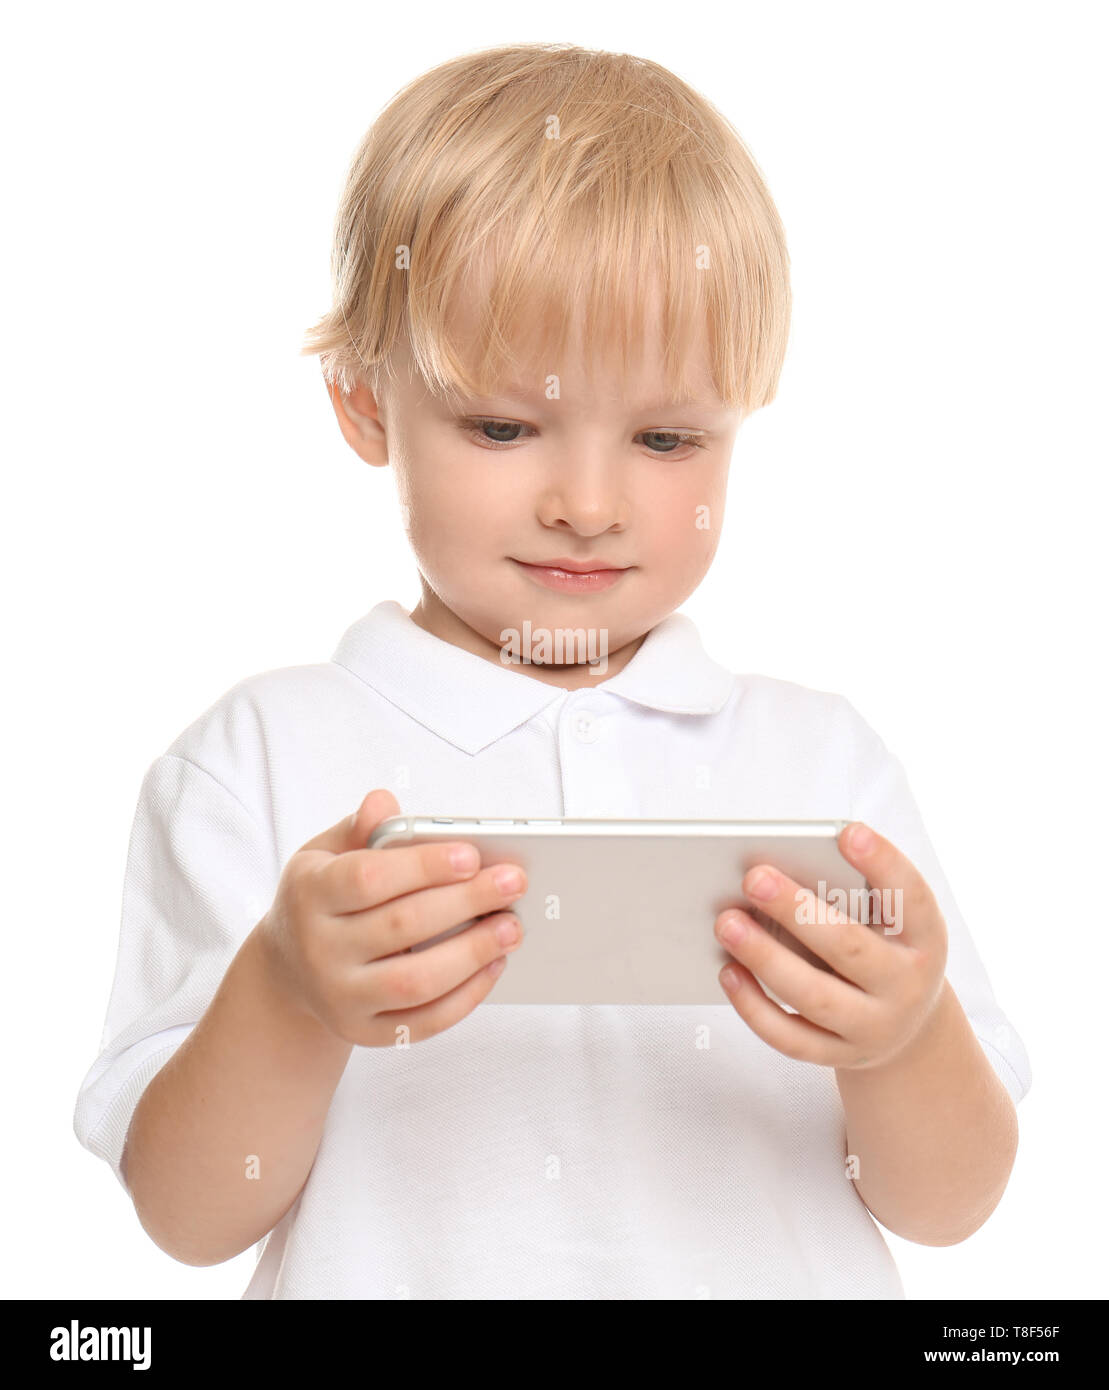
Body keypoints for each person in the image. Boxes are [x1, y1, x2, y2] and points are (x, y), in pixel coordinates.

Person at [73, 41, 1030, 1299]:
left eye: (665, 436)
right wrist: (287, 992)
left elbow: (951, 1207)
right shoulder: (259, 756)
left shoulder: (823, 765)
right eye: (503, 426)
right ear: (363, 400)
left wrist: (902, 1036)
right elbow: (190, 1217)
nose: (586, 502)